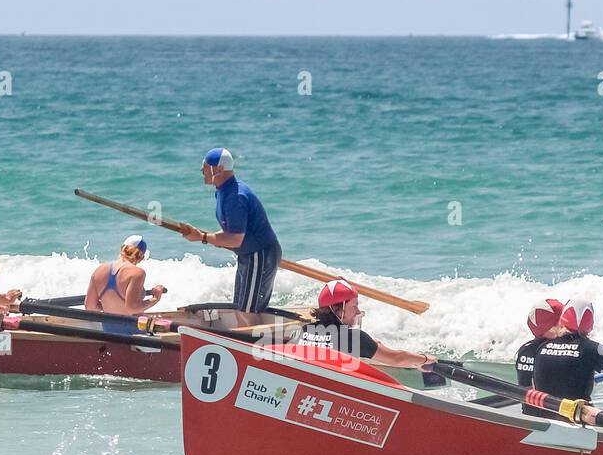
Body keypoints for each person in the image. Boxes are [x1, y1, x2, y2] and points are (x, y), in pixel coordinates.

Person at [179, 148, 281, 313]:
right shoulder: (223, 191)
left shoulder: (236, 195)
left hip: (259, 254)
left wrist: (203, 237)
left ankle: (249, 336)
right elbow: (231, 231)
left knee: (248, 311)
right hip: (248, 255)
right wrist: (206, 237)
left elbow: (235, 239)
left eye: (205, 166)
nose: (201, 170)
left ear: (218, 169)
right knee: (241, 307)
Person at [294, 279, 435, 370]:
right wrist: (425, 359)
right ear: (338, 310)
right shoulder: (354, 339)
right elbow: (398, 358)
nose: (358, 312)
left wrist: (372, 346)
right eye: (354, 306)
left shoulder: (303, 331)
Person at [85, 235, 167, 315]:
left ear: (122, 249)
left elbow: (90, 306)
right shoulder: (137, 273)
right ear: (140, 256)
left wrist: (110, 307)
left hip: (108, 326)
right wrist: (155, 298)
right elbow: (132, 308)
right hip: (132, 327)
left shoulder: (99, 270)